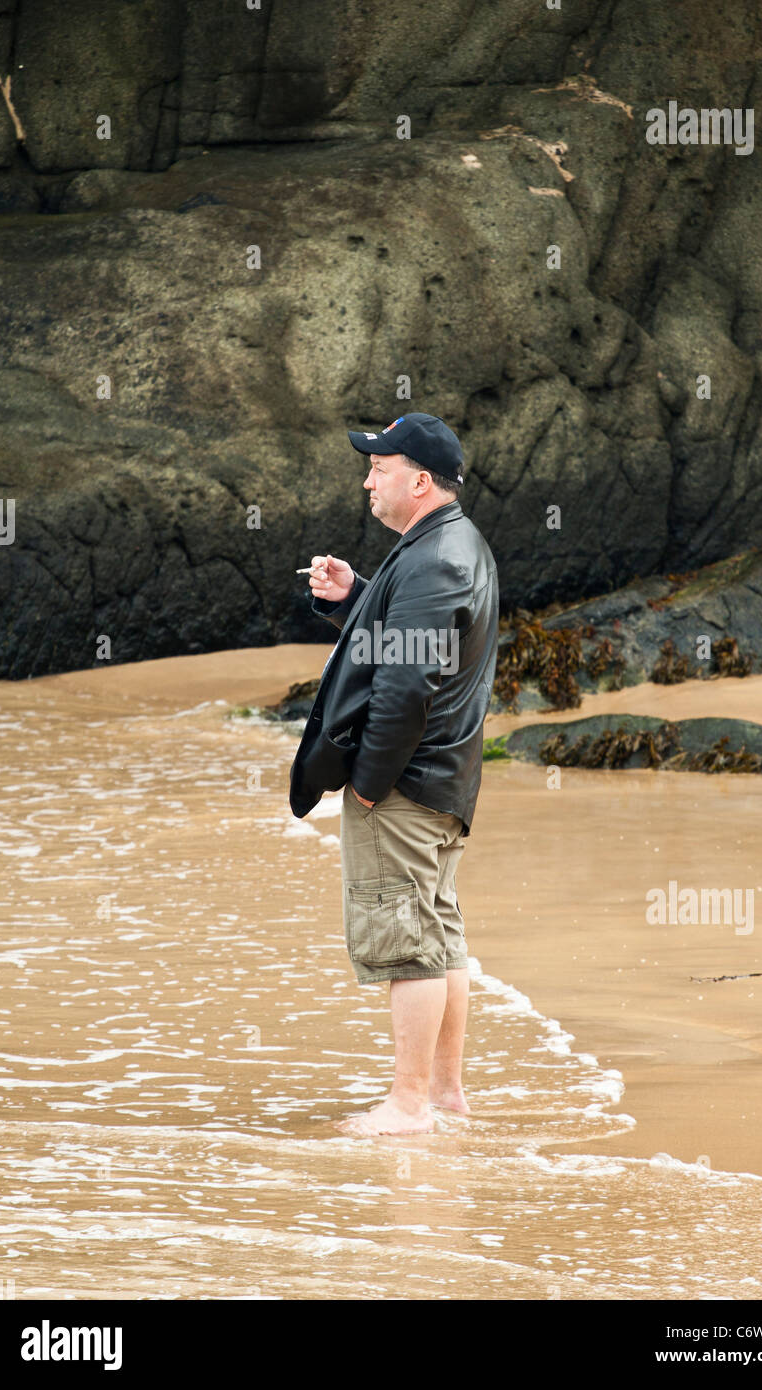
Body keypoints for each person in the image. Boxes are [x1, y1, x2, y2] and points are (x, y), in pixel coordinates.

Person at [289, 413, 499, 1135]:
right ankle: (444, 1094)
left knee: (406, 945)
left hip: (407, 786)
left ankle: (407, 1103)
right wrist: (355, 597)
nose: (367, 477)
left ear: (418, 480)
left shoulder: (434, 559)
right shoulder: (447, 546)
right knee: (438, 937)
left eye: (380, 466)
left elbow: (408, 687)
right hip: (444, 782)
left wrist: (371, 780)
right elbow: (415, 635)